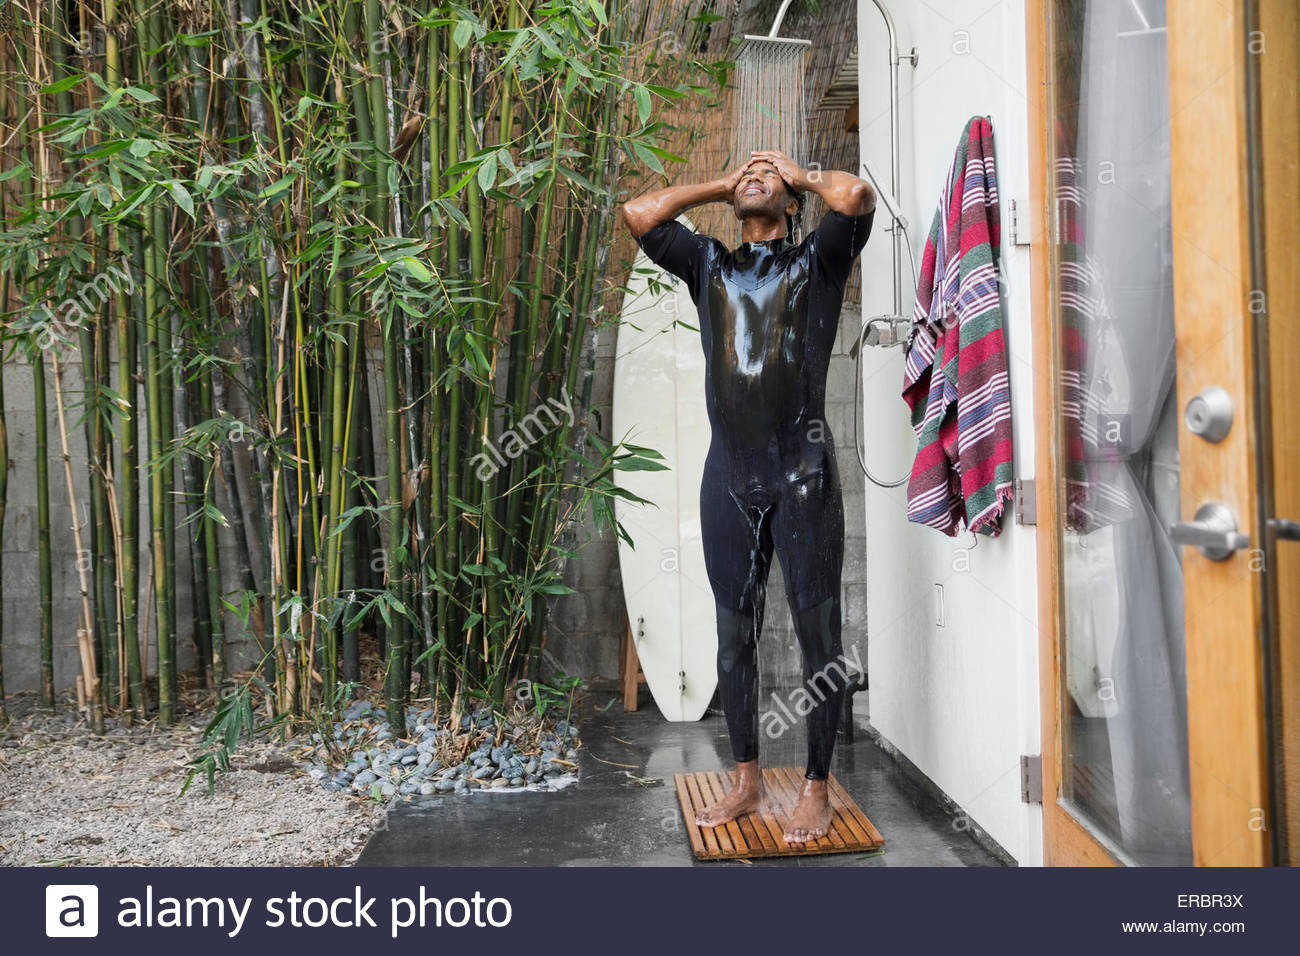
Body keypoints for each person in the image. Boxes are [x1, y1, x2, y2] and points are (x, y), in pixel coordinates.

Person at [619, 150, 875, 842]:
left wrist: (798, 174)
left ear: (791, 204)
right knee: (734, 642)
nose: (756, 174)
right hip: (728, 479)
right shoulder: (710, 265)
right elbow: (639, 213)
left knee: (819, 641)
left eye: (769, 177)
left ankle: (817, 787)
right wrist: (719, 182)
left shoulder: (816, 263)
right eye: (748, 173)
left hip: (803, 479)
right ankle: (746, 781)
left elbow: (854, 196)